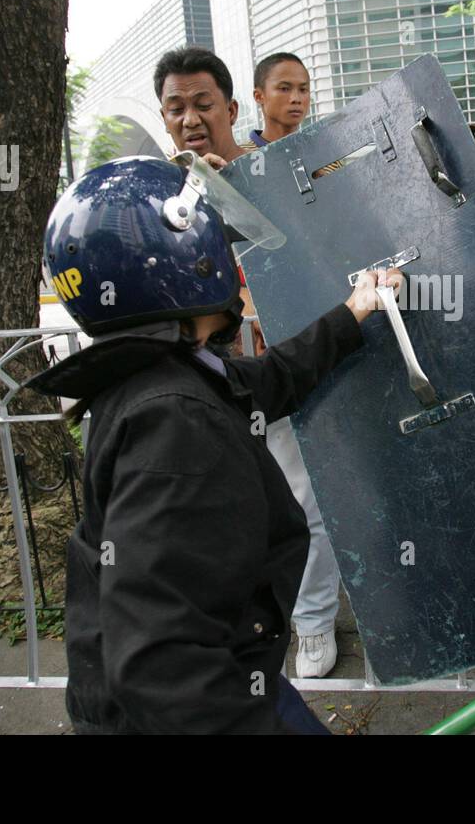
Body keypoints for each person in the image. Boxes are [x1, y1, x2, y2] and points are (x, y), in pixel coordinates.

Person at [29, 154, 402, 731]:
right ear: (185, 264)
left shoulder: (157, 378)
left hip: (222, 676)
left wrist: (352, 315)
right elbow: (159, 663)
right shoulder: (175, 420)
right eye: (222, 248)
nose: (232, 263)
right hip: (202, 707)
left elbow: (267, 381)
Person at [154, 45, 342, 679]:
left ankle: (313, 624)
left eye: (202, 104)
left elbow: (308, 242)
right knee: (240, 507)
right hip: (214, 380)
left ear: (232, 108)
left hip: (299, 361)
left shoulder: (281, 170)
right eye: (175, 108)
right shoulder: (167, 194)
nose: (190, 119)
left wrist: (227, 189)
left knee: (307, 498)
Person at [240, 50, 343, 679]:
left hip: (334, 337)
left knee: (319, 494)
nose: (297, 99)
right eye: (284, 88)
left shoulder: (327, 159)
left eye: (304, 88)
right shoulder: (241, 172)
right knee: (286, 497)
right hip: (268, 358)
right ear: (257, 96)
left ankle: (315, 619)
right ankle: (299, 619)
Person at [249, 51, 310, 147]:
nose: (296, 99)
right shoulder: (238, 158)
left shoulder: (326, 156)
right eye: (284, 89)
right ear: (259, 96)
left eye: (303, 90)